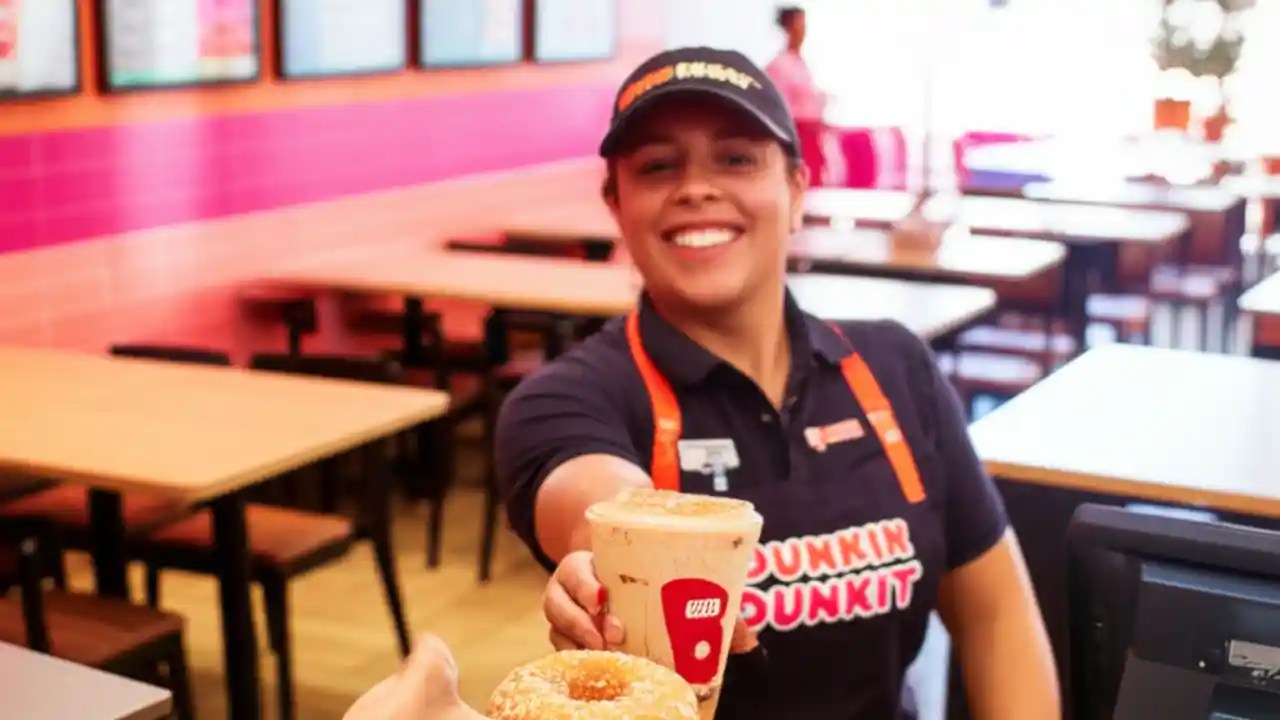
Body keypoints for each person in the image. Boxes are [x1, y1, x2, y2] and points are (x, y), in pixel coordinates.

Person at [494, 45, 1060, 719]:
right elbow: (600, 502)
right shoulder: (561, 399)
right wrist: (626, 561)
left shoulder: (896, 366)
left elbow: (998, 616)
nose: (696, 187)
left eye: (736, 158)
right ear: (616, 206)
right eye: (656, 166)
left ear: (796, 190)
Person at [765, 6, 831, 185]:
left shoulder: (802, 65)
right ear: (787, 27)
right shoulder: (779, 66)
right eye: (798, 25)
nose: (802, 31)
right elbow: (777, 110)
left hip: (813, 138)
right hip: (798, 139)